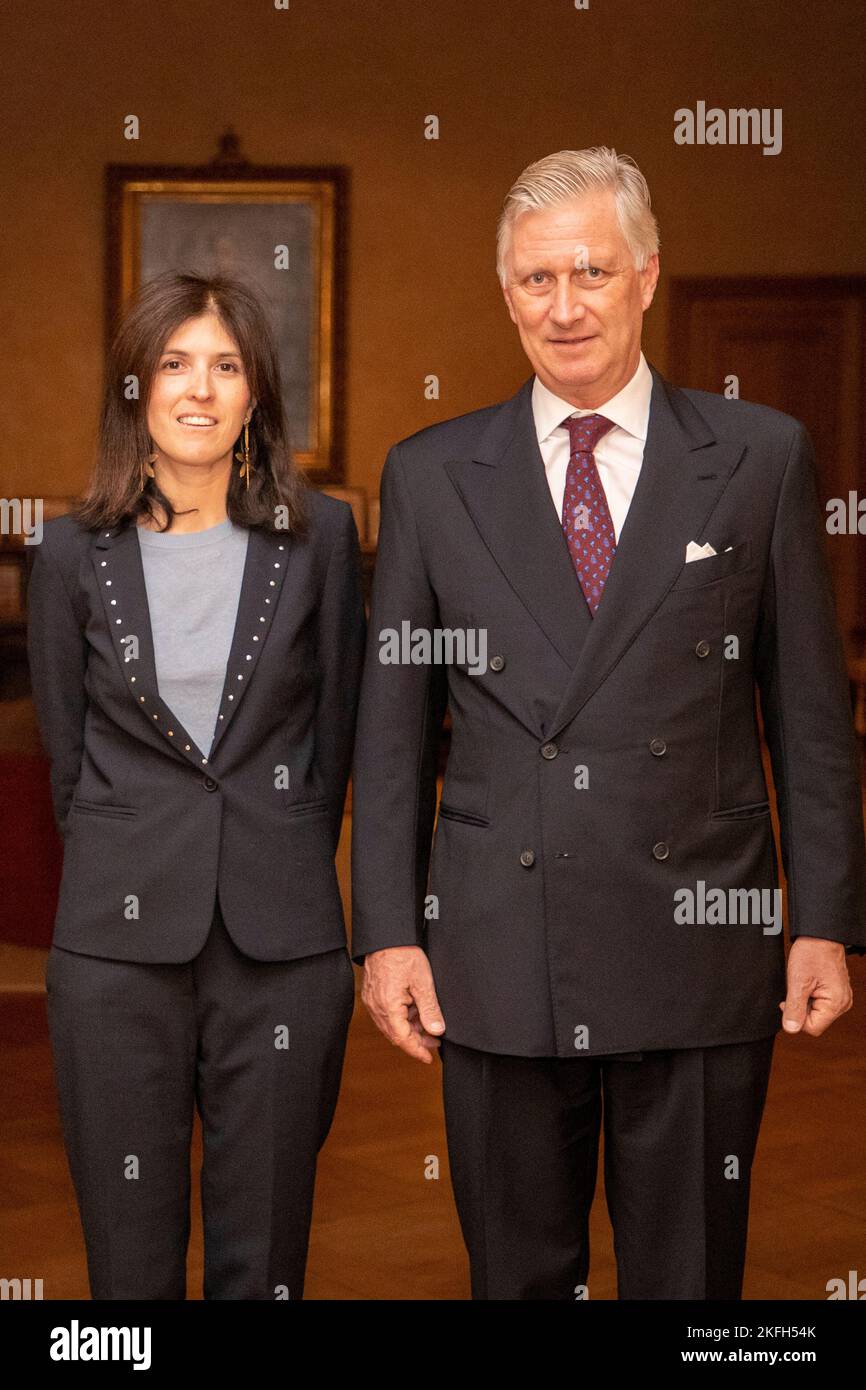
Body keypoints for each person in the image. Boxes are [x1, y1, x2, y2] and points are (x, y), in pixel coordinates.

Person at [350, 147, 866, 1299]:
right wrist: (385, 933)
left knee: (687, 1282)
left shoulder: (758, 457)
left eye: (590, 270)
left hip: (698, 942)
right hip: (493, 952)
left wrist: (824, 917)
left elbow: (808, 713)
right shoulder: (432, 475)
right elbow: (390, 734)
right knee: (516, 1279)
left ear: (643, 276)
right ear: (506, 293)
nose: (564, 304)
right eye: (536, 278)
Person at [27, 270, 365, 1300]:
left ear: (255, 396)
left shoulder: (321, 541)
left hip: (281, 945)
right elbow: (66, 755)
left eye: (225, 366)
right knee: (127, 1262)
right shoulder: (69, 551)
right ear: (135, 388)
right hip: (115, 951)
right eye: (172, 363)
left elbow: (337, 740)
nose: (198, 388)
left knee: (262, 1257)